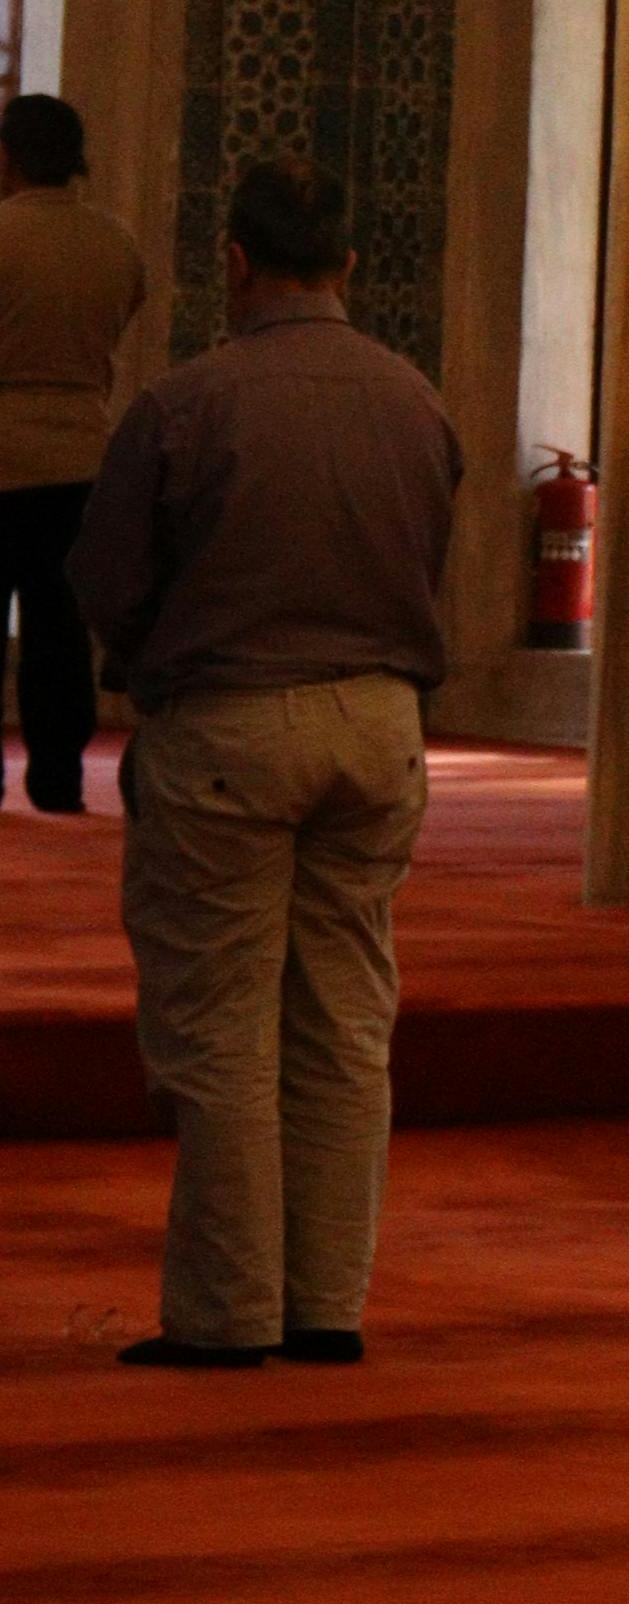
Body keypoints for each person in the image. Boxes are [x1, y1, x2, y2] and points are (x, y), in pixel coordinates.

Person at [70, 152, 459, 1373]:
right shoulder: (415, 401)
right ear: (348, 263)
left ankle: (227, 1315)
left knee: (221, 1026)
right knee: (346, 1021)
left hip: (233, 729)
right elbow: (430, 564)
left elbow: (108, 585)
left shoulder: (189, 403)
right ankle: (326, 1306)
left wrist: (152, 669)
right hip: (381, 727)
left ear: (234, 262)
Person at [0, 90, 143, 816]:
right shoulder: (115, 244)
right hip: (81, 460)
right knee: (59, 626)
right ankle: (57, 778)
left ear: (7, 158)